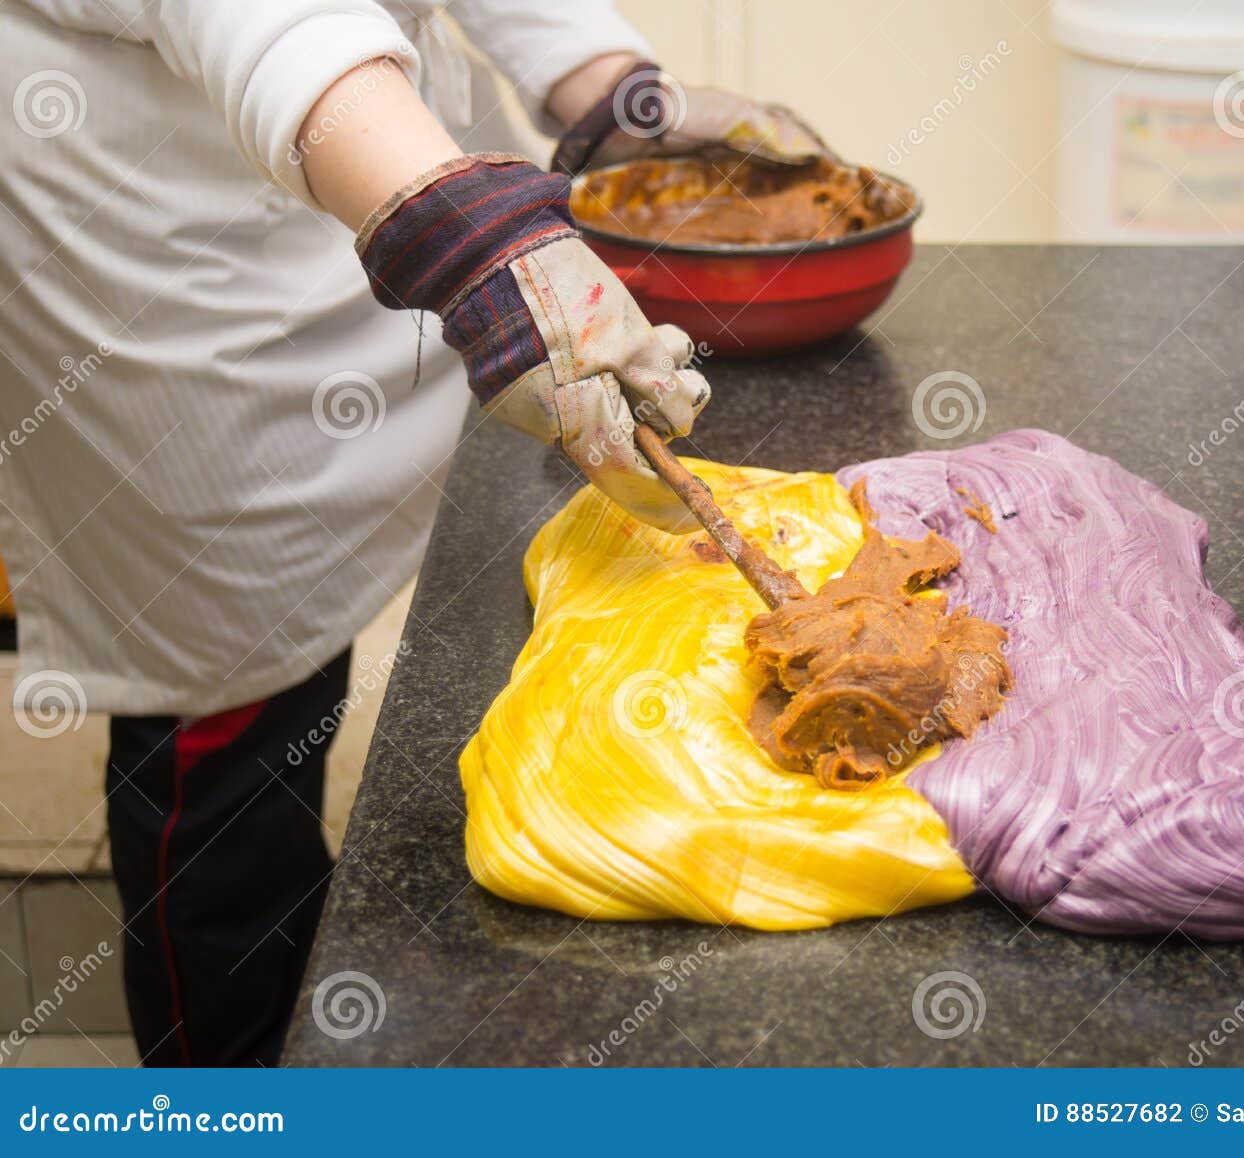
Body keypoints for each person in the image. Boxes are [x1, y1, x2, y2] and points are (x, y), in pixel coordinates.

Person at [0, 0, 823, 1066]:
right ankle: (228, 1086)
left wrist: (608, 89)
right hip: (182, 252)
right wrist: (472, 239)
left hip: (389, 161)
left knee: (469, 553)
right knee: (228, 704)